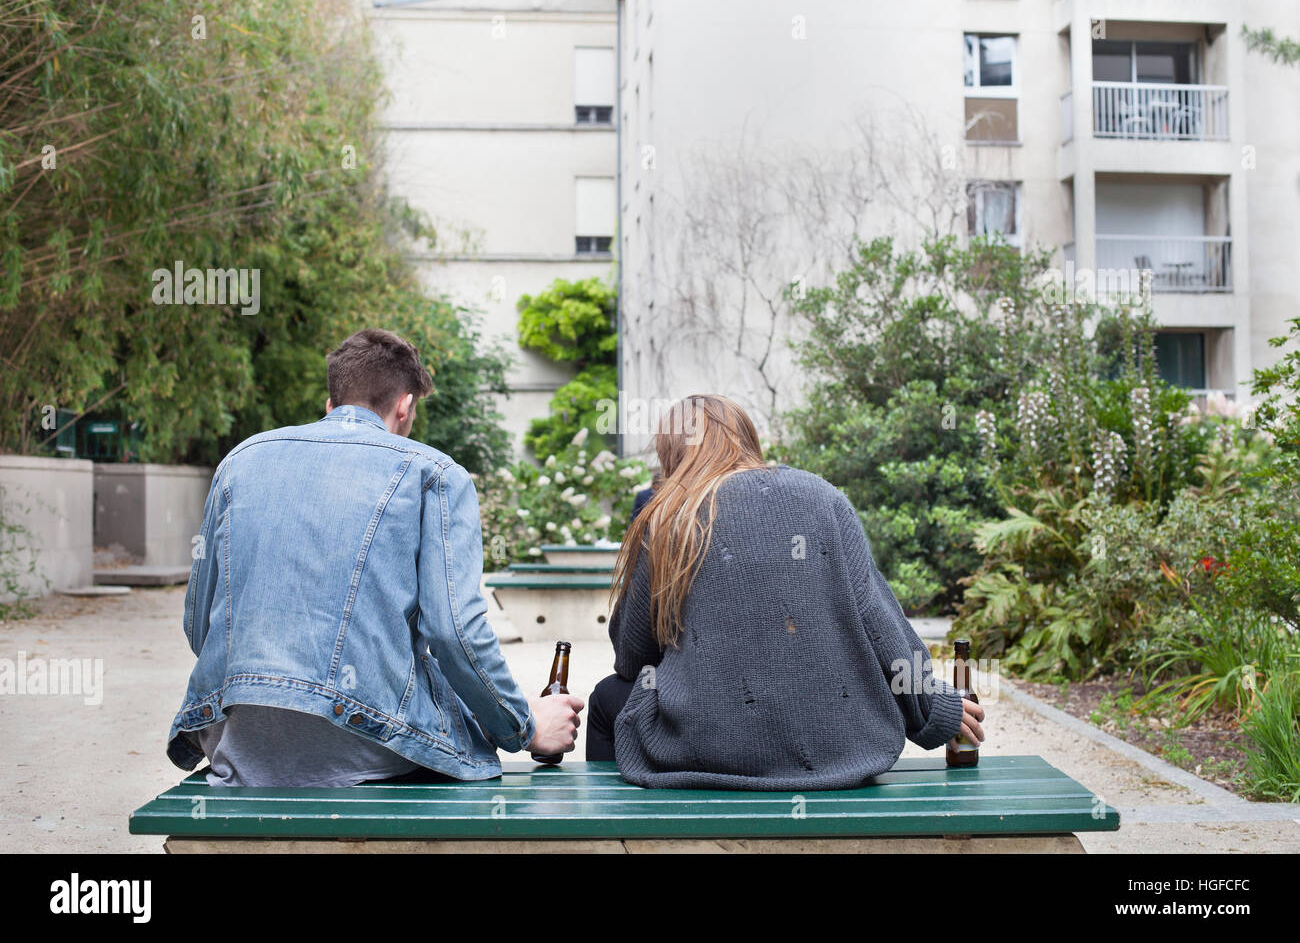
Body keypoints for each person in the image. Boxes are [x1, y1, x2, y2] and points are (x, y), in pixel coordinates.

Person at [166, 329, 583, 786]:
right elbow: (454, 632)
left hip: (243, 746)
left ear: (331, 405)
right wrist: (526, 726)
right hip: (368, 750)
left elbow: (199, 626)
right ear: (404, 406)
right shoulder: (435, 474)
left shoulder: (239, 462)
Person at [586, 394, 984, 789]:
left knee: (607, 697)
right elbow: (879, 621)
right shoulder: (824, 497)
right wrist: (933, 708)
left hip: (709, 747)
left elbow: (632, 657)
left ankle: (613, 832)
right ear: (746, 438)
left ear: (672, 453)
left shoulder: (669, 517)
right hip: (841, 750)